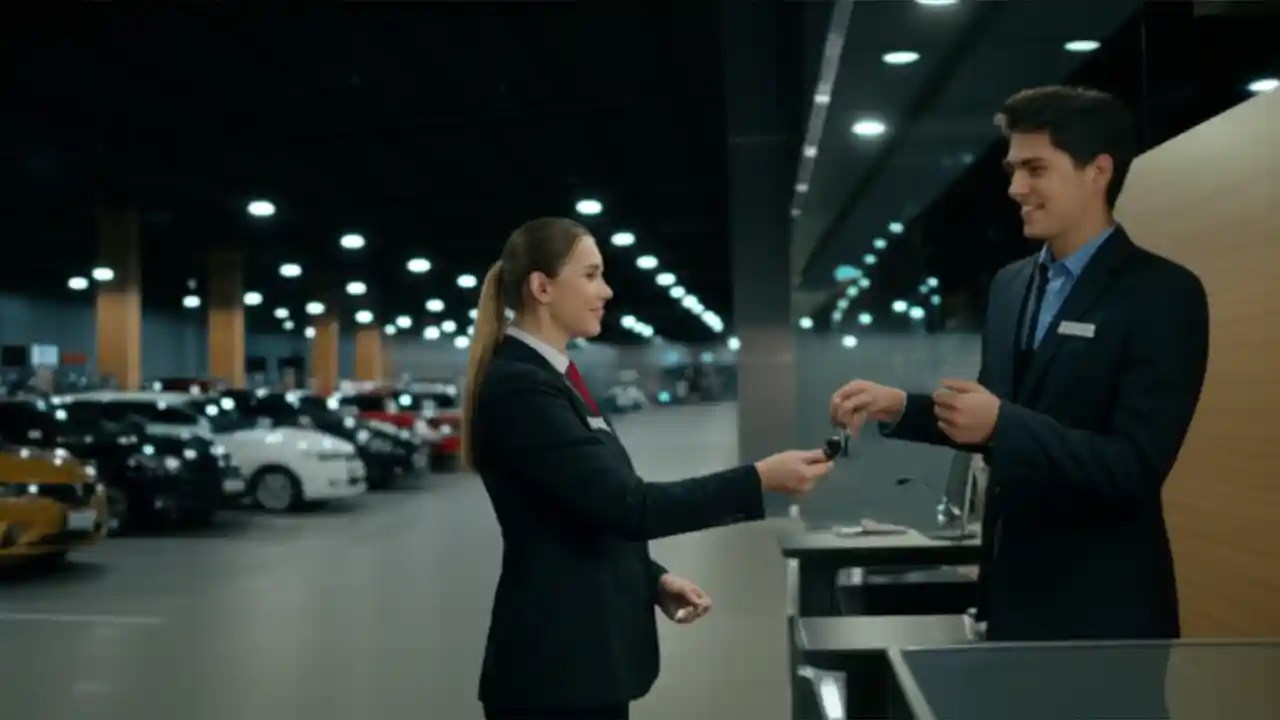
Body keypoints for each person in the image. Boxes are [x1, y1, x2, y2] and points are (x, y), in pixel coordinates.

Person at [831, 85, 1209, 642]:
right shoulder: (1011, 286)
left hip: (1108, 607)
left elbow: (1135, 466)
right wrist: (899, 407)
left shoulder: (1162, 294)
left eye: (1035, 168)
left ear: (1097, 171)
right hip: (1010, 595)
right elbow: (993, 416)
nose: (1015, 188)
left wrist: (1003, 423)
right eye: (1012, 169)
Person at [463, 217, 834, 720]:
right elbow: (628, 505)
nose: (607, 291)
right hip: (553, 671)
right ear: (542, 287)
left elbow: (584, 510)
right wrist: (759, 479)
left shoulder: (555, 379)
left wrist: (650, 577)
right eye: (591, 275)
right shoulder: (522, 388)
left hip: (581, 661)